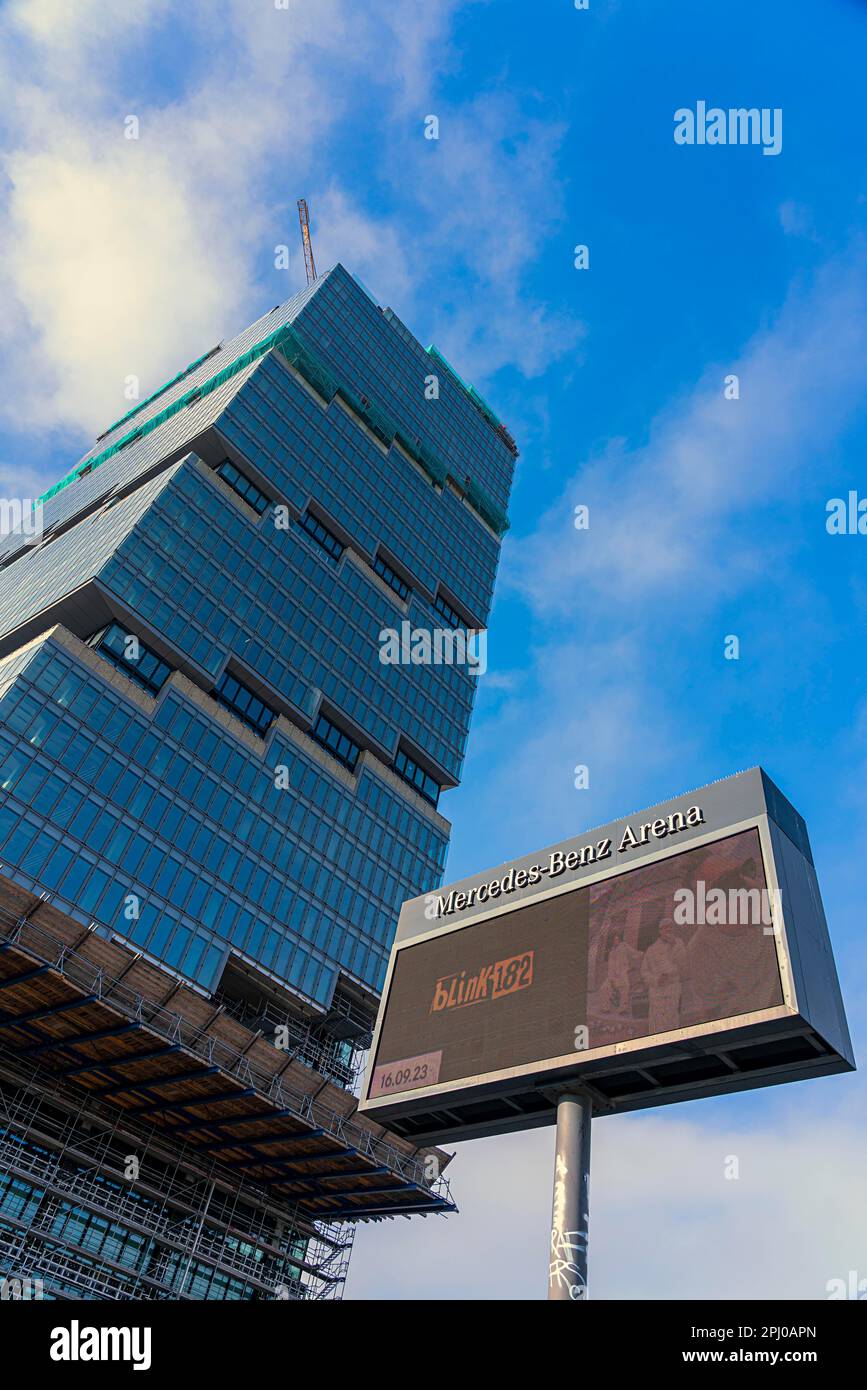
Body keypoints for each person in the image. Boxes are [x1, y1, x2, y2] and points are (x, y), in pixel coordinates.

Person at [641, 918, 687, 1034]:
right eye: (665, 927)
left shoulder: (679, 944)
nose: (668, 929)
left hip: (673, 989)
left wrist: (673, 946)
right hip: (657, 992)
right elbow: (644, 972)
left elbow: (683, 964)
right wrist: (656, 980)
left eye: (670, 927)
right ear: (660, 930)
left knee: (672, 1022)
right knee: (657, 1025)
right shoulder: (651, 950)